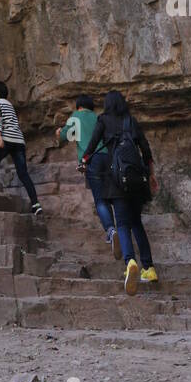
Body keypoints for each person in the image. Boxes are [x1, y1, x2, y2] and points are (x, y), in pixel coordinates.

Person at [80, 90, 159, 295]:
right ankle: (149, 268)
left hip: (118, 180)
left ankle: (130, 262)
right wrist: (151, 175)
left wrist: (84, 160)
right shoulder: (131, 121)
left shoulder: (104, 120)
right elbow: (146, 150)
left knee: (122, 223)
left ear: (107, 104)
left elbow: (92, 144)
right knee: (137, 223)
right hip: (138, 180)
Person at [58, 94, 121, 260]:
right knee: (108, 198)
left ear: (79, 106)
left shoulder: (76, 117)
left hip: (90, 159)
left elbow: (67, 136)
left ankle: (110, 230)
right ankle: (115, 232)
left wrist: (59, 132)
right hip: (107, 158)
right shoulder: (97, 117)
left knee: (99, 200)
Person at [0, 80, 43, 215]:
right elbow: (10, 125)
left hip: (6, 139)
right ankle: (36, 204)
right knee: (23, 173)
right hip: (18, 140)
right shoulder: (10, 105)